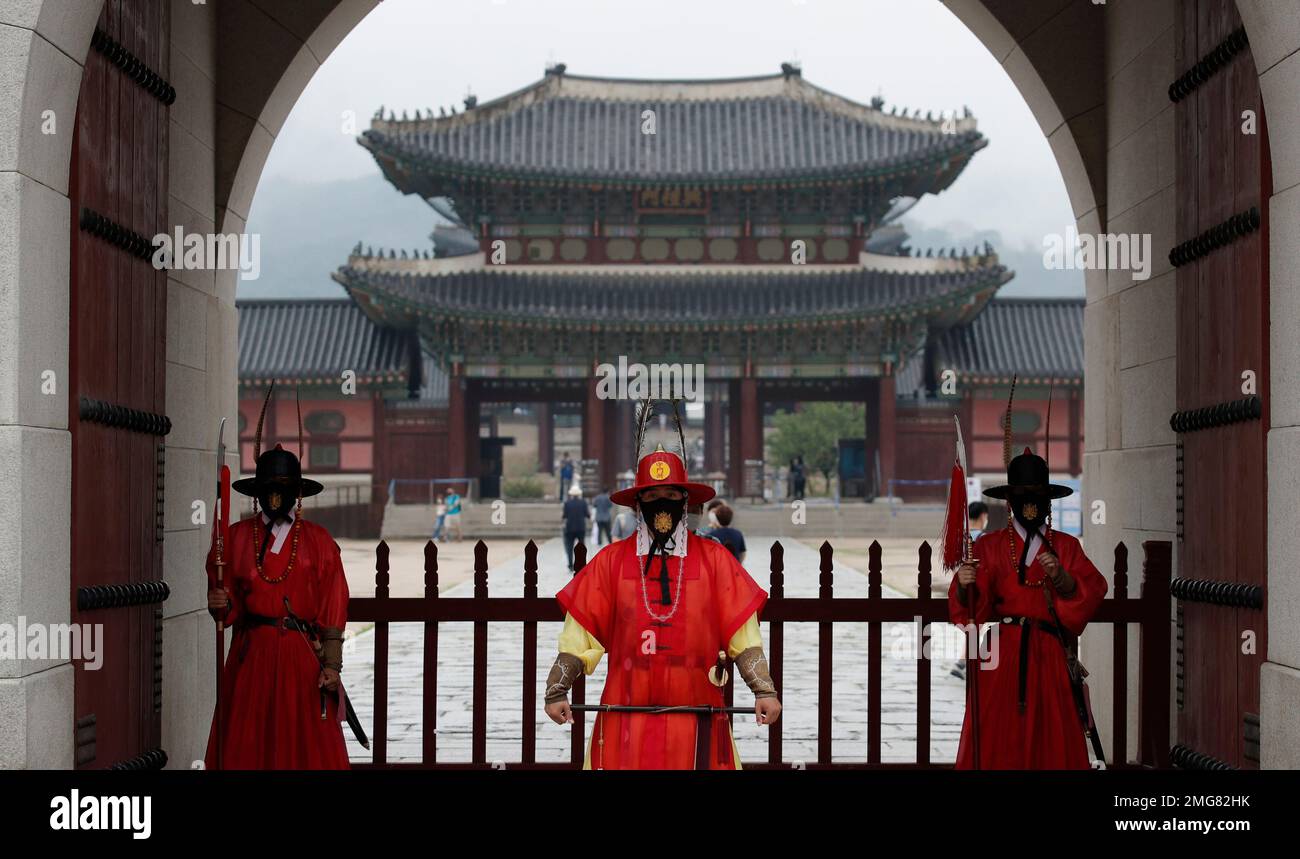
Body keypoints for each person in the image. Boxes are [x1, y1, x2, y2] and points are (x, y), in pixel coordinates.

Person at [543, 435, 781, 769]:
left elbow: (744, 635)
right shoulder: (611, 561)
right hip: (625, 710)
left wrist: (763, 690)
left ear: (685, 502)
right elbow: (579, 635)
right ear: (637, 504)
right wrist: (557, 688)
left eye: (671, 495)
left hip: (698, 711)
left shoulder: (715, 559)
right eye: (652, 496)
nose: (662, 503)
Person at [949, 448, 1107, 769]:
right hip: (1002, 651)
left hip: (1049, 653)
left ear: (1049, 499)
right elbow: (972, 611)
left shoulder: (1066, 546)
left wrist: (1064, 579)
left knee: (1053, 735)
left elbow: (1093, 590)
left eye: (1037, 494)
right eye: (1022, 494)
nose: (1030, 501)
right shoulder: (988, 545)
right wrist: (966, 586)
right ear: (1010, 500)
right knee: (997, 733)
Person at [205, 439, 350, 769]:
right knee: (249, 741)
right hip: (251, 654)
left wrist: (331, 665)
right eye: (268, 487)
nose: (275, 495)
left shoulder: (319, 541)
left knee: (304, 743)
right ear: (256, 492)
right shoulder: (236, 538)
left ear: (297, 493)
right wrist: (219, 603)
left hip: (300, 656)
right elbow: (227, 607)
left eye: (283, 488)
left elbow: (334, 604)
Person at [561, 483, 590, 572]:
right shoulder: (583, 502)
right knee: (581, 547)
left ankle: (570, 565)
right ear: (579, 494)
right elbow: (587, 515)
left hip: (569, 528)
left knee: (569, 547)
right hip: (581, 527)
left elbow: (564, 516)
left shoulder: (567, 503)